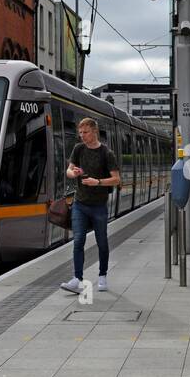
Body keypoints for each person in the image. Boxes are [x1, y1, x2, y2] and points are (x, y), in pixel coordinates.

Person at [60, 117, 121, 294]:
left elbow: (116, 179)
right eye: (80, 133)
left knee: (102, 241)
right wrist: (74, 172)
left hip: (99, 205)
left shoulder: (106, 154)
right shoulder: (78, 149)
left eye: (85, 132)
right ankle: (77, 279)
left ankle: (102, 276)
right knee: (78, 240)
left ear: (94, 131)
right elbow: (69, 171)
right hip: (80, 203)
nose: (82, 136)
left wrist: (98, 182)